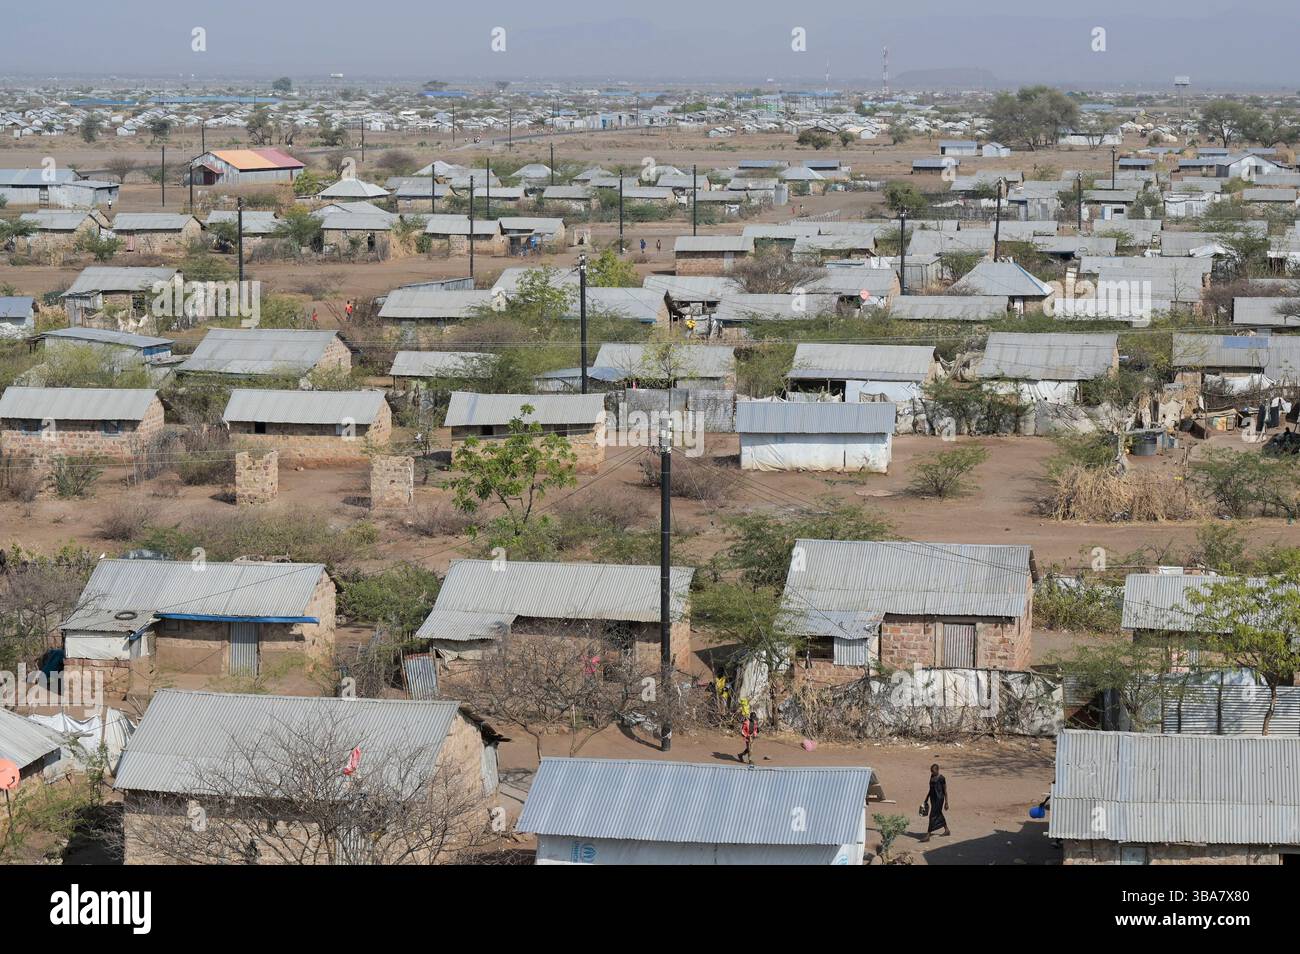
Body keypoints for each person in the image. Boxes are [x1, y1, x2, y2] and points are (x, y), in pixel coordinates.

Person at [920, 763, 951, 842]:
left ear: (937, 770)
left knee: (932, 816)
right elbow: (930, 789)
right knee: (938, 814)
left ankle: (928, 835)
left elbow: (945, 791)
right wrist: (926, 799)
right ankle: (947, 830)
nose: (932, 773)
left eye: (933, 771)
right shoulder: (932, 777)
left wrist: (946, 802)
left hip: (939, 799)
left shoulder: (941, 778)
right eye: (931, 771)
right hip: (933, 799)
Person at [737, 698, 756, 764]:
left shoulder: (755, 722)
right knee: (750, 749)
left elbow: (755, 729)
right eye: (753, 718)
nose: (753, 719)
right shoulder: (746, 722)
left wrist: (755, 734)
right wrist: (747, 736)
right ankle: (750, 760)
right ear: (750, 717)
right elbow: (743, 731)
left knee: (750, 749)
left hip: (752, 737)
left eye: (754, 718)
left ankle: (740, 755)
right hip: (747, 737)